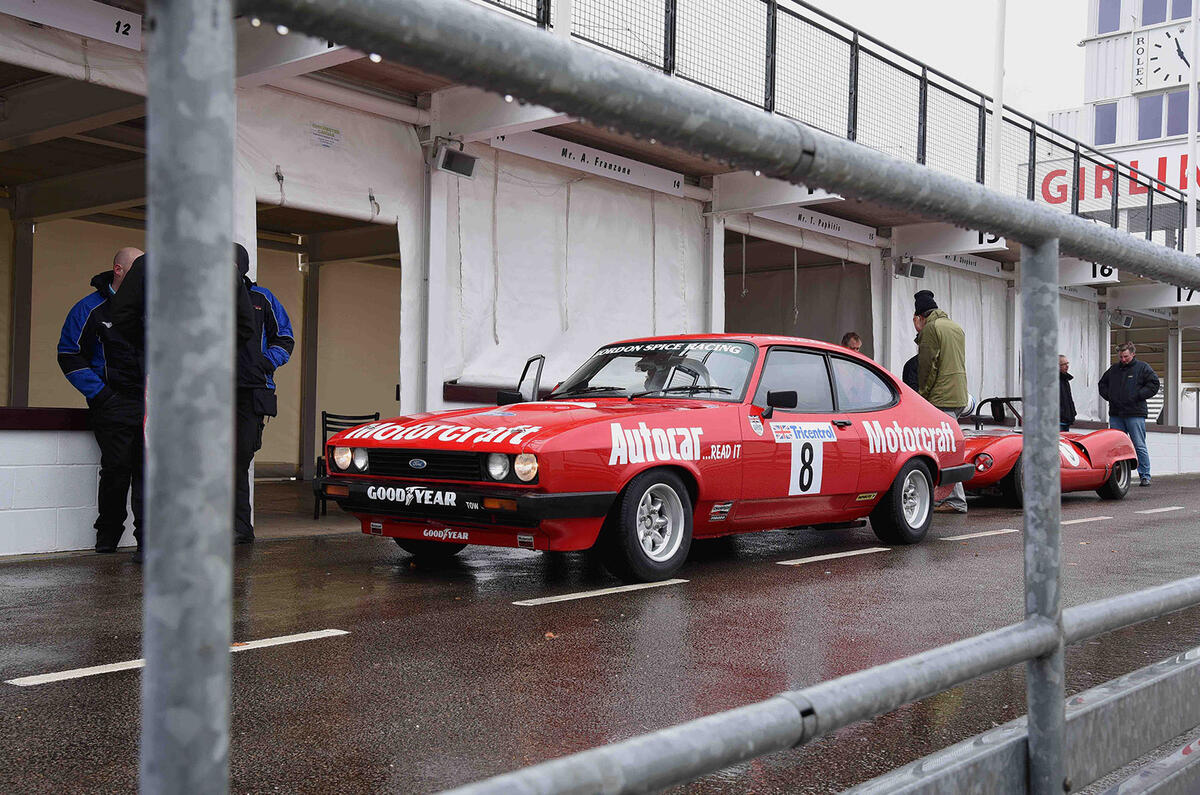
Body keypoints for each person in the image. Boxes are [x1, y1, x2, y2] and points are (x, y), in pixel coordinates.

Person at [57, 247, 145, 557]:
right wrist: (102, 394)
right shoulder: (89, 308)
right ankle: (107, 537)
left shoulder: (155, 309)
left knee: (149, 472)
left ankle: (147, 542)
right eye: (138, 268)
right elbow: (69, 354)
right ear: (119, 270)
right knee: (117, 470)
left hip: (149, 406)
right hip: (112, 405)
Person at [235, 243, 294, 543]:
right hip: (211, 393)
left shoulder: (262, 298)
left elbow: (285, 338)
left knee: (241, 456)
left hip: (252, 392)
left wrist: (264, 362)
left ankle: (240, 529)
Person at [913, 289, 968, 513]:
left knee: (944, 451)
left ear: (920, 316)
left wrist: (922, 398)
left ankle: (955, 501)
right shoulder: (955, 327)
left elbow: (927, 367)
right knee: (948, 446)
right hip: (958, 395)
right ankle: (951, 499)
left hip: (940, 397)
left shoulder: (931, 329)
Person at [1098, 342, 1160, 487]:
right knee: (1116, 447)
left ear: (1133, 354)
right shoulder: (1113, 369)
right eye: (1120, 357)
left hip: (1135, 413)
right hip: (1116, 414)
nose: (1123, 359)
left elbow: (1154, 384)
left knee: (1138, 445)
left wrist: (1138, 395)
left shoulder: (1143, 368)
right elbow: (1102, 384)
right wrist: (1110, 396)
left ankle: (1145, 475)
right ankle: (1118, 476)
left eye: (1125, 356)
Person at [1059, 354, 1077, 432]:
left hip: (1066, 421)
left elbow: (1068, 399)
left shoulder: (1065, 380)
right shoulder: (1052, 381)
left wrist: (1072, 413)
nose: (1067, 366)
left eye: (1067, 363)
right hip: (1057, 421)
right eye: (1064, 364)